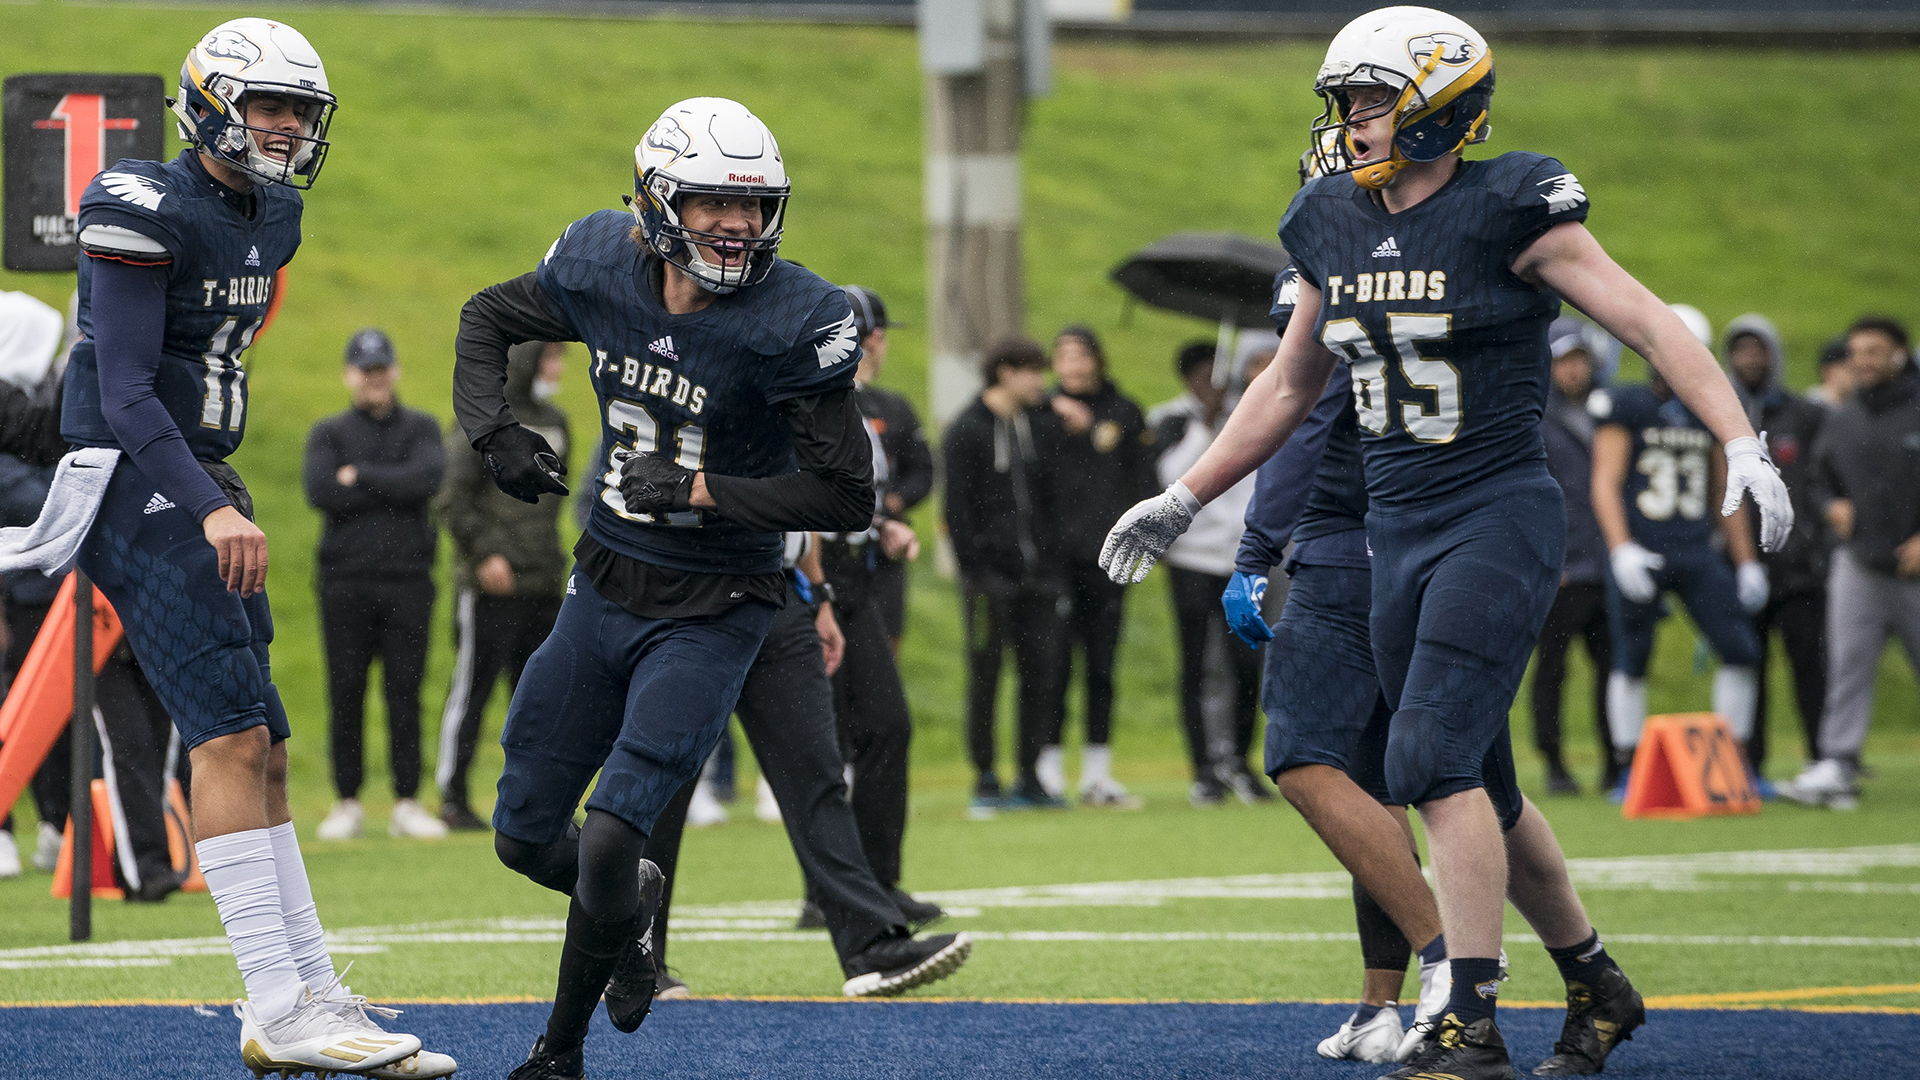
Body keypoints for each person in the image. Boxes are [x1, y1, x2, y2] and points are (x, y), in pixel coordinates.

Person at [1100, 9, 1793, 1075]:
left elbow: (1648, 323)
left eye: (1371, 100)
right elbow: (1289, 384)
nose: (1351, 121)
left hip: (1495, 515)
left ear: (1439, 104)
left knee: (1424, 758)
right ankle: (1597, 982)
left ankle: (1467, 1015)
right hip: (1393, 528)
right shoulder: (1327, 217)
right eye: (1345, 102)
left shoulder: (1509, 204)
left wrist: (1741, 441)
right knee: (1485, 788)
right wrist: (1186, 496)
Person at [454, 97, 966, 1080]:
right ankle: (632, 910)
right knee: (522, 836)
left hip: (720, 602)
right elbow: (487, 318)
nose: (736, 225)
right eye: (711, 203)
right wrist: (493, 433)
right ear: (656, 201)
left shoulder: (794, 316)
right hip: (603, 584)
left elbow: (846, 492)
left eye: (753, 204)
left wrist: (700, 489)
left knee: (613, 833)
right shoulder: (600, 263)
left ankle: (558, 1052)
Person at [58, 19, 450, 1077]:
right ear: (209, 106)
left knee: (267, 744)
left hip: (194, 473)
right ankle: (278, 1005)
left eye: (300, 111)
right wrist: (210, 505)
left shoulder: (276, 214)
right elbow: (124, 390)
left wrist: (211, 487)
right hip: (130, 472)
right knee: (227, 738)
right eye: (267, 106)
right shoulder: (139, 202)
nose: (286, 127)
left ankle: (310, 991)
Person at [1223, 262, 1450, 1065]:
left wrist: (1254, 552)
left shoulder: (1330, 316)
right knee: (1379, 788)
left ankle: (1450, 962)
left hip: (1343, 562)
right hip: (1426, 559)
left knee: (1300, 761)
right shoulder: (1429, 299)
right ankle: (1379, 1008)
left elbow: (1301, 422)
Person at [642, 533, 965, 997]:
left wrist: (818, 594)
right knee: (663, 784)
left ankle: (870, 946)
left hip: (779, 593)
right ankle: (634, 958)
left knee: (818, 779)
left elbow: (799, 505)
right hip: (693, 588)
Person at [1590, 306, 1767, 794]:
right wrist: (1621, 549)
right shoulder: (1627, 402)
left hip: (1695, 549)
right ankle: (1628, 767)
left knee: (1740, 649)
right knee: (1631, 657)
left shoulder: (1711, 405)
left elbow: (1725, 491)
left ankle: (1732, 766)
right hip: (1643, 550)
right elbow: (1605, 481)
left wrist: (1747, 563)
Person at [815, 287, 936, 916]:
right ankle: (829, 892)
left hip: (856, 577)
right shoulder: (811, 399)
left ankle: (876, 885)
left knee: (886, 726)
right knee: (820, 743)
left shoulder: (869, 406)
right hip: (809, 580)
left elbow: (854, 495)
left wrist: (881, 526)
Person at [303, 328, 448, 841]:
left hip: (409, 580)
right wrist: (392, 483)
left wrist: (360, 475)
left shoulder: (422, 427)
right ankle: (347, 800)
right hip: (344, 581)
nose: (374, 379)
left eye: (381, 369)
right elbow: (322, 492)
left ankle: (407, 799)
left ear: (395, 370)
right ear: (350, 375)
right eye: (365, 371)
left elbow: (426, 479)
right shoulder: (328, 432)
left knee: (405, 690)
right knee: (346, 690)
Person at [1784, 316, 1920, 809]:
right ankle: (1838, 763)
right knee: (1846, 668)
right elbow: (1817, 478)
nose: (1863, 362)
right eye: (1857, 352)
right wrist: (1831, 506)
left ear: (1900, 354)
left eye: (1874, 351)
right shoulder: (1843, 417)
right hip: (1858, 564)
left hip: (1914, 569)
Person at [435, 340, 571, 832]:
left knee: (540, 699)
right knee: (472, 692)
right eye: (550, 357)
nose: (556, 368)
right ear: (528, 360)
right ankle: (453, 796)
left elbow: (556, 500)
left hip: (544, 583)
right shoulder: (483, 421)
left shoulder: (557, 421)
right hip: (491, 587)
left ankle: (539, 801)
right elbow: (451, 497)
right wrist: (485, 554)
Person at [942, 337, 1068, 811]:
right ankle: (986, 776)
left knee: (1040, 676)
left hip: (1040, 577)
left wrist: (1052, 563)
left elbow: (1052, 500)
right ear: (1005, 373)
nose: (1041, 381)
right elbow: (956, 510)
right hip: (988, 580)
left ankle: (1030, 775)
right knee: (986, 675)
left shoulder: (1037, 426)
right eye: (1032, 371)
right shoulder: (965, 430)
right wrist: (976, 569)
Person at [1037, 325, 1153, 806]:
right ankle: (1047, 770)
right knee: (1054, 665)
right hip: (1055, 563)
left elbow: (1143, 482)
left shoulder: (1124, 413)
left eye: (1081, 356)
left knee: (1102, 666)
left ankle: (1097, 774)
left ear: (1098, 361)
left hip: (1109, 561)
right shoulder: (1040, 413)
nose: (1074, 366)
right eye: (1064, 357)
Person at [1149, 342, 1267, 806]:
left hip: (1239, 558)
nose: (1211, 386)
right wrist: (1204, 425)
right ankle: (1203, 769)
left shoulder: (1248, 415)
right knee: (1196, 664)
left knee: (1246, 663)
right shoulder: (1171, 419)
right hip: (1192, 560)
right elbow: (1170, 478)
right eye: (1201, 378)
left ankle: (1239, 760)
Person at [1723, 314, 1829, 781]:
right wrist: (1739, 559)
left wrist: (1814, 543)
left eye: (1758, 349)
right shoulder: (1723, 416)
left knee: (1811, 665)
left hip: (1799, 566)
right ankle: (1751, 765)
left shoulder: (1804, 415)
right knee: (1750, 665)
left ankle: (1824, 757)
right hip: (1742, 565)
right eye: (1741, 350)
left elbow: (1819, 482)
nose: (1750, 359)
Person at [1532, 318, 1616, 795]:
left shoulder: (1611, 410)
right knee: (1552, 671)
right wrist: (1548, 562)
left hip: (1607, 566)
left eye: (1579, 359)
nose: (1573, 369)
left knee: (1613, 670)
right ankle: (1555, 763)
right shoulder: (1534, 417)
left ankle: (1615, 762)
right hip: (1562, 569)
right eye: (1564, 361)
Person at [843, 285, 934, 650]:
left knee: (880, 654)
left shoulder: (892, 405)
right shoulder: (832, 403)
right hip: (838, 552)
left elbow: (924, 470)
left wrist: (892, 505)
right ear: (877, 338)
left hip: (882, 549)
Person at [1804, 338, 1853, 408]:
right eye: (1850, 368)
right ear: (1829, 371)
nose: (1856, 374)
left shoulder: (1852, 403)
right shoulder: (1813, 403)